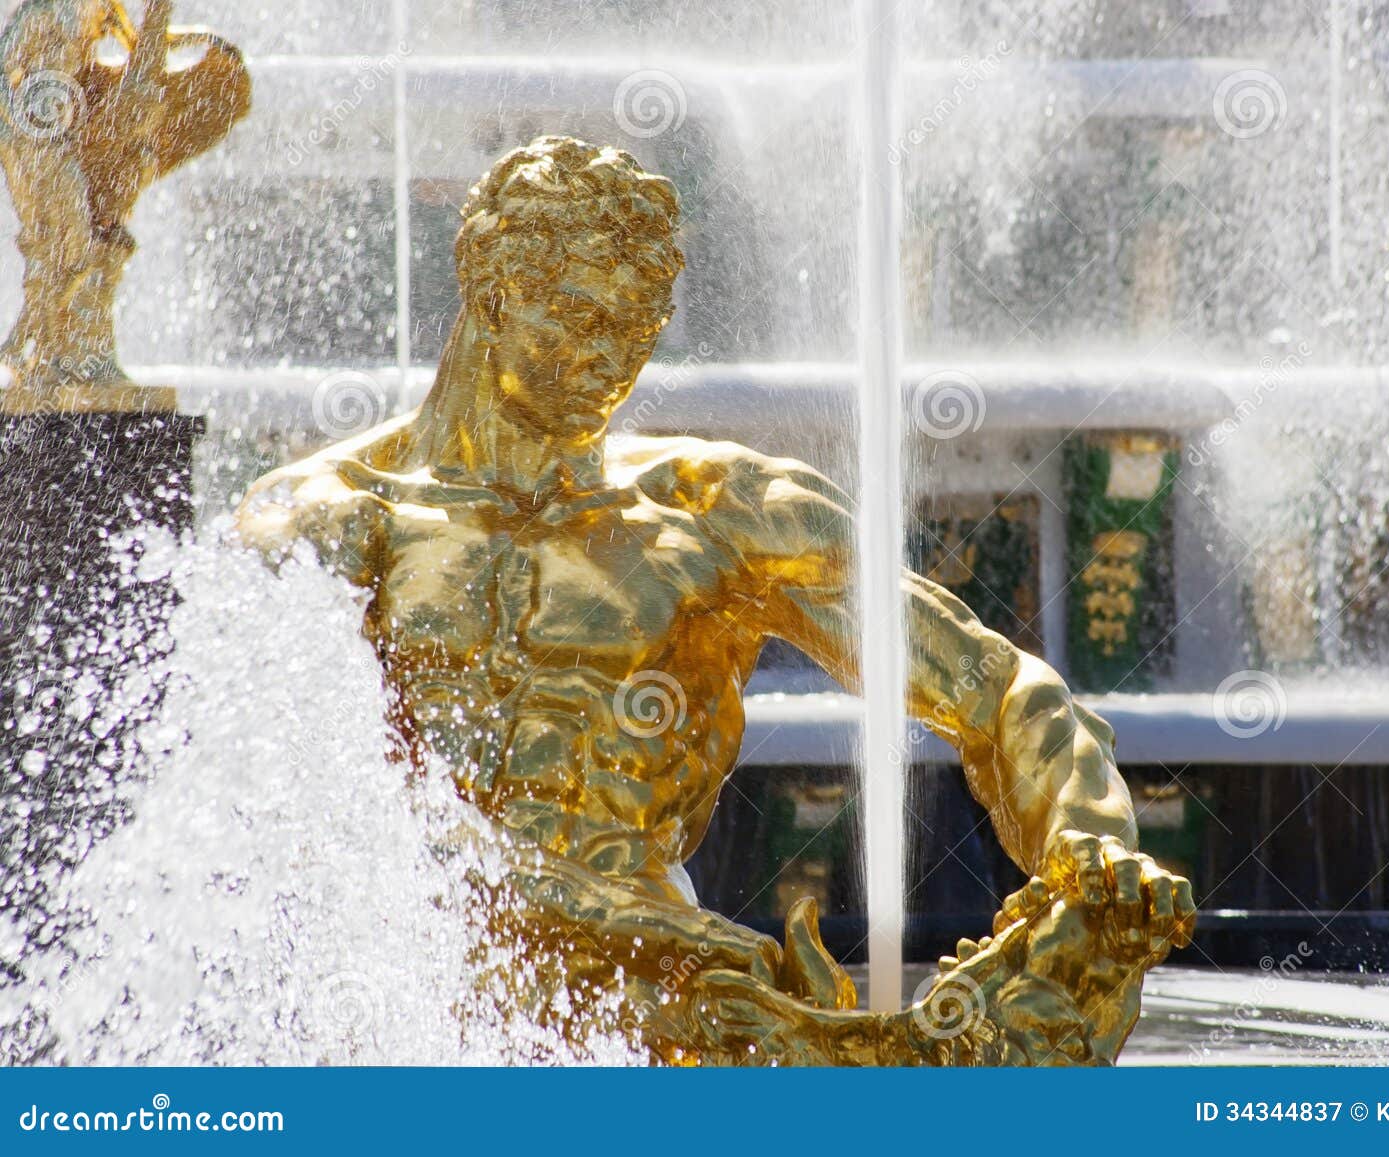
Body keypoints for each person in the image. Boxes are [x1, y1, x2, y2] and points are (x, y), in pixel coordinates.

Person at [238, 136, 1195, 1065]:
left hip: (659, 1004)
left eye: (634, 330)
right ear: (491, 292)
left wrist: (1091, 842)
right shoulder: (327, 519)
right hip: (417, 988)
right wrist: (570, 902)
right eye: (576, 316)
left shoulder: (712, 511)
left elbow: (992, 683)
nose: (607, 359)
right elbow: (283, 807)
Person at [0, 0, 248, 392]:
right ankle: (43, 350)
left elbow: (138, 53)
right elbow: (6, 76)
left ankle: (43, 348)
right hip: (39, 149)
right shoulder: (44, 17)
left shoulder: (95, 17)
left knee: (77, 250)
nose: (99, 33)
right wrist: (30, 121)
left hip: (61, 146)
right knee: (63, 248)